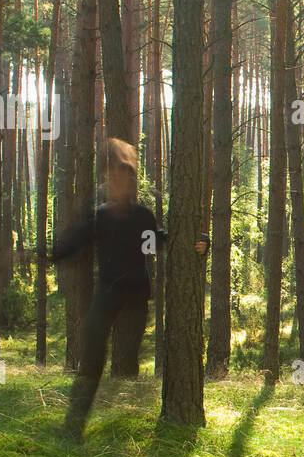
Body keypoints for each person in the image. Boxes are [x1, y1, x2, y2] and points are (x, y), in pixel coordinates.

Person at [51, 139, 207, 441]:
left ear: (131, 182)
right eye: (114, 177)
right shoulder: (100, 216)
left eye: (125, 177)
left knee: (129, 361)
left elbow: (165, 240)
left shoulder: (142, 217)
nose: (119, 182)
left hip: (135, 296)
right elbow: (73, 244)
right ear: (108, 180)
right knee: (92, 361)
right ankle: (73, 428)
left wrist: (199, 242)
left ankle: (143, 416)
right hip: (107, 293)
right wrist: (46, 254)